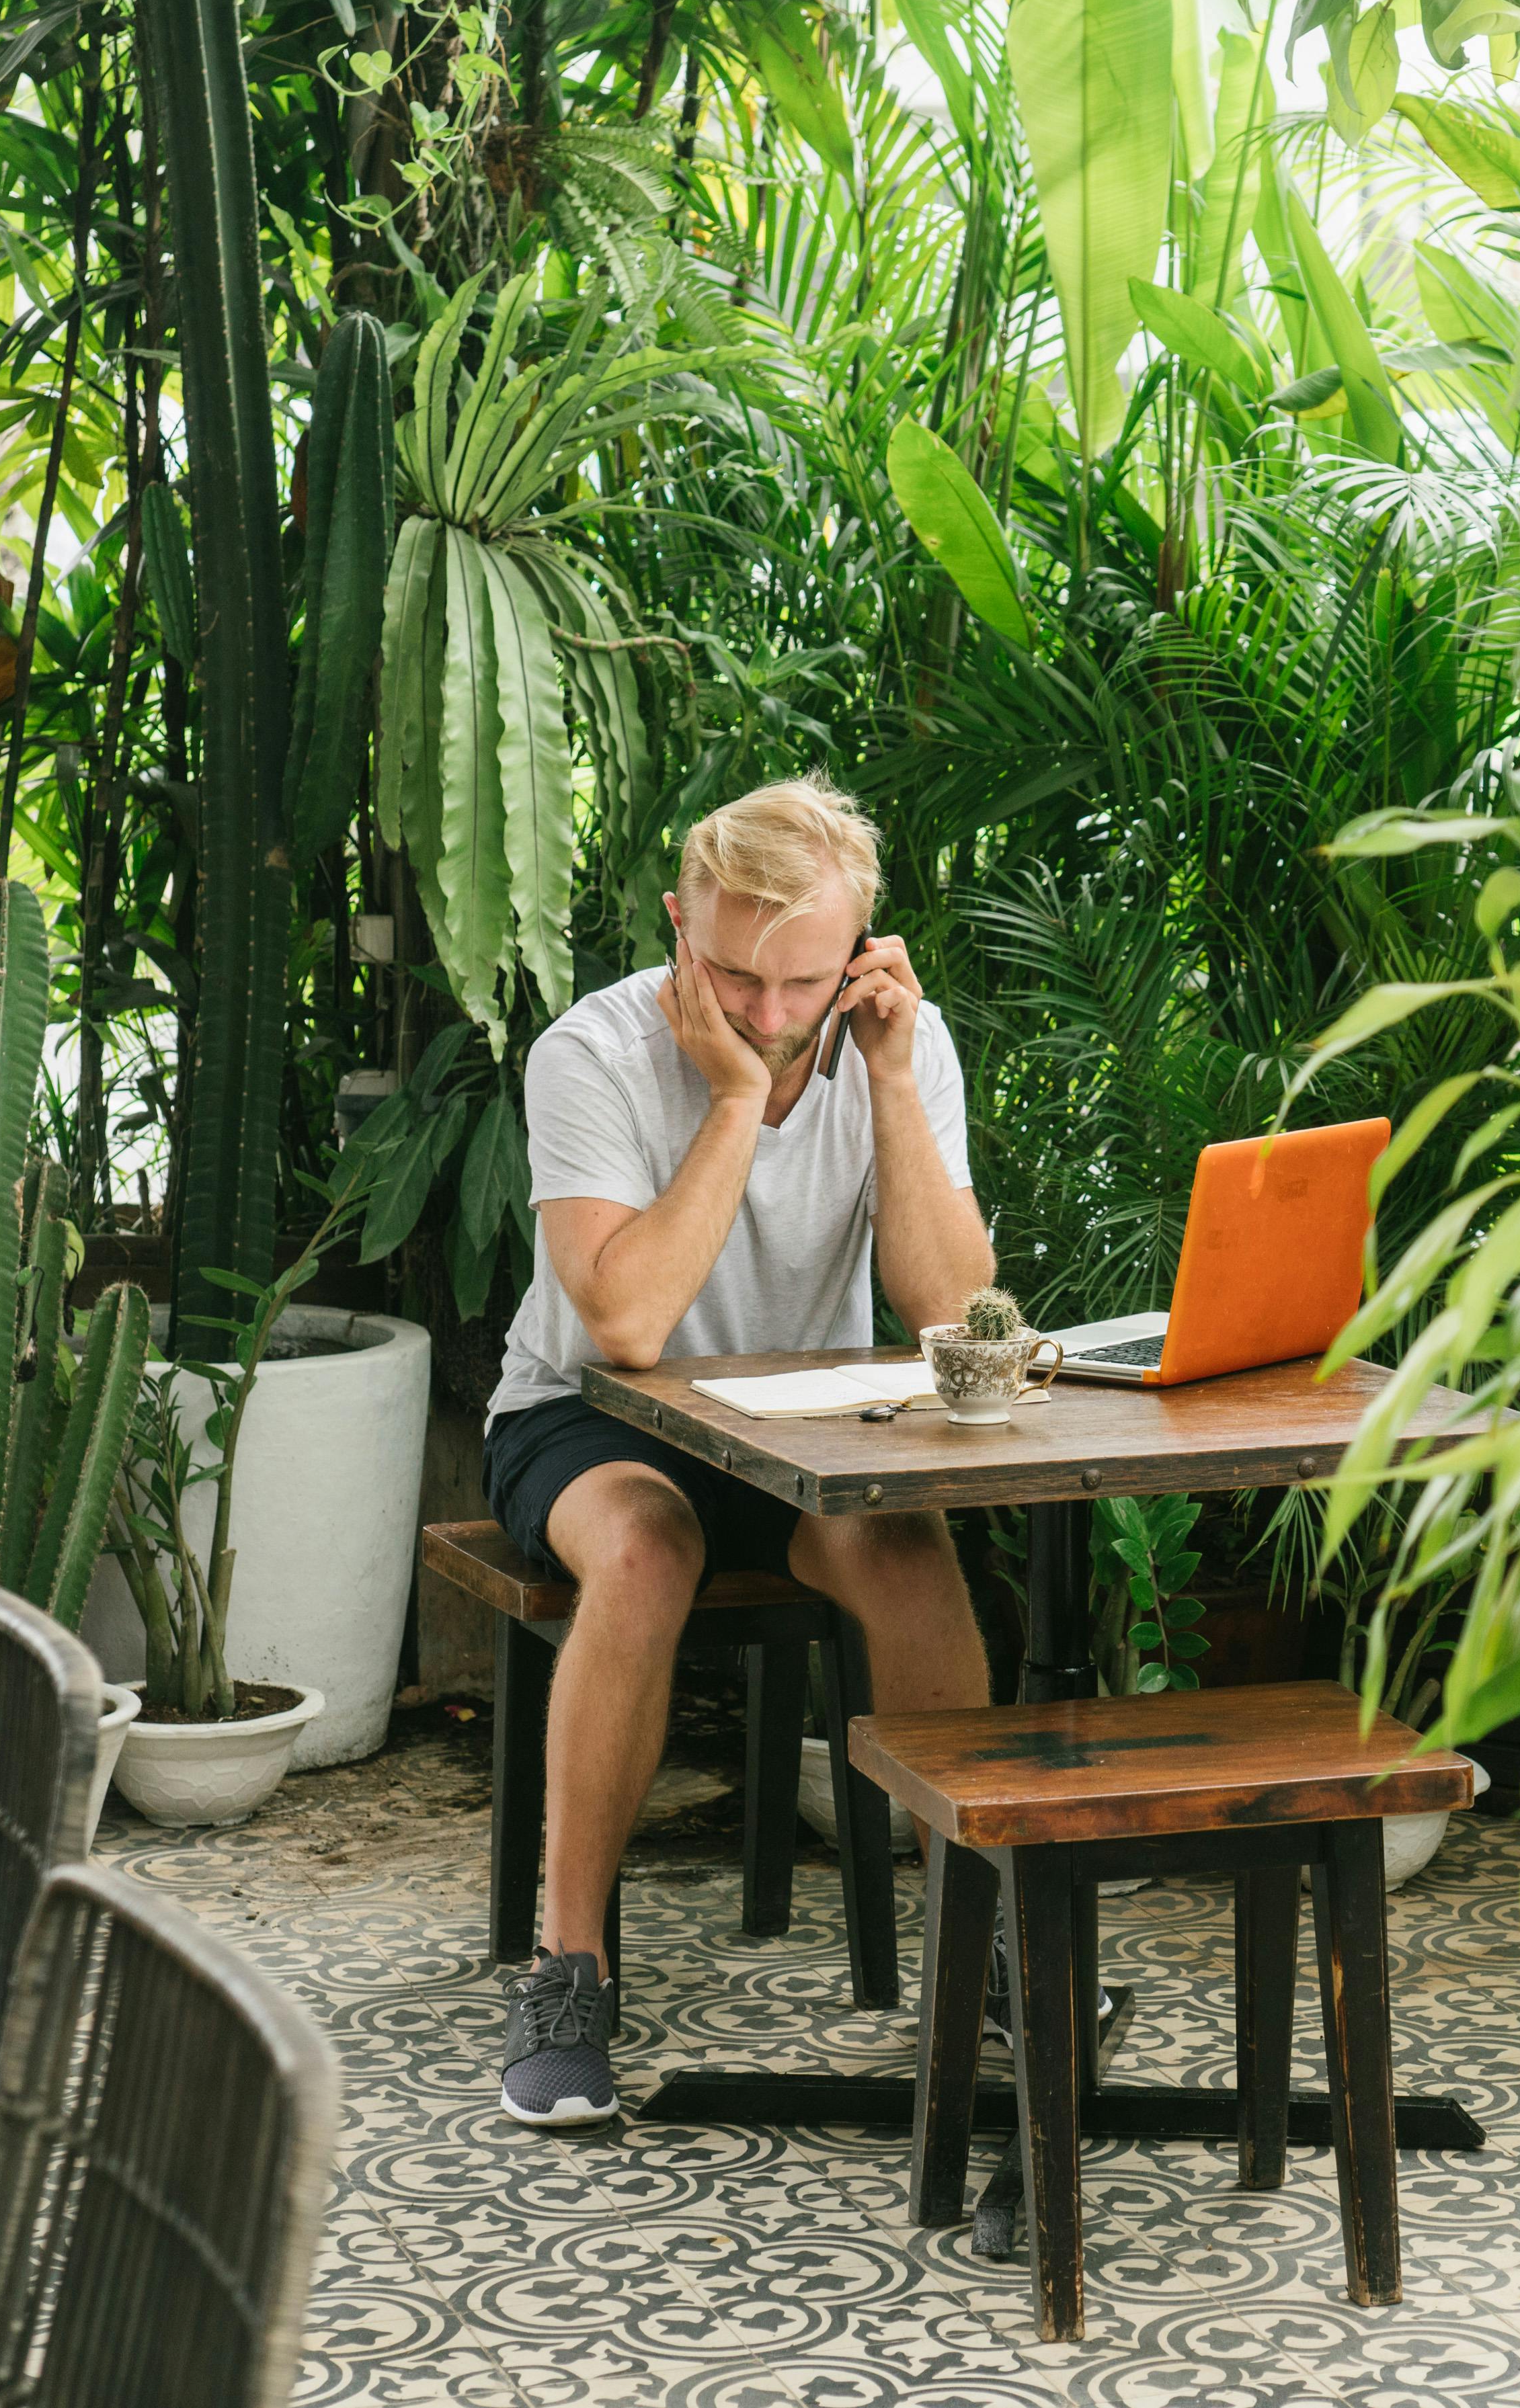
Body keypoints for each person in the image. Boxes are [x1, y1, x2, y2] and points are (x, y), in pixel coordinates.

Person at [485, 774, 996, 2126]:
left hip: (795, 1422)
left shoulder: (901, 1046)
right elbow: (627, 1323)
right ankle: (569, 1968)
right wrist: (730, 1100)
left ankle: (984, 1947)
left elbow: (953, 1313)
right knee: (648, 1548)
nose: (770, 1017)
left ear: (863, 952)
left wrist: (890, 1080)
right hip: (585, 1416)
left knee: (905, 1545)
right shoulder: (591, 1054)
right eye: (734, 977)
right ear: (679, 923)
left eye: (805, 983)